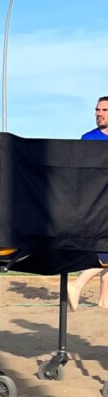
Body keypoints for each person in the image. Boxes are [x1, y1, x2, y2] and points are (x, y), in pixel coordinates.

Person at [67, 96, 108, 310]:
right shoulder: (89, 139)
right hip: (98, 203)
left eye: (104, 110)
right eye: (97, 109)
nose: (99, 113)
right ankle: (77, 284)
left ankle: (104, 301)